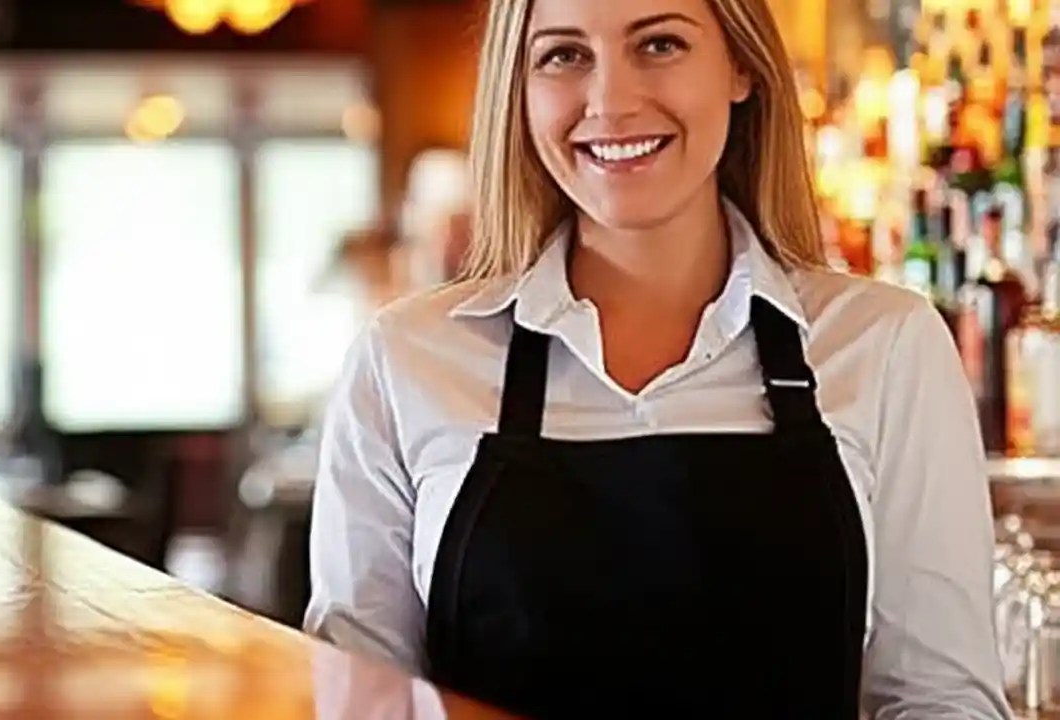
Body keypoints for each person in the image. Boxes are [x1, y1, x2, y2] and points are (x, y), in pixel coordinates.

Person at [303, 0, 1013, 717]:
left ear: (741, 65)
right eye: (563, 55)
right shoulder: (404, 362)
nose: (610, 100)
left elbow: (940, 701)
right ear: (518, 89)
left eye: (661, 44)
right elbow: (364, 705)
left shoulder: (885, 345)